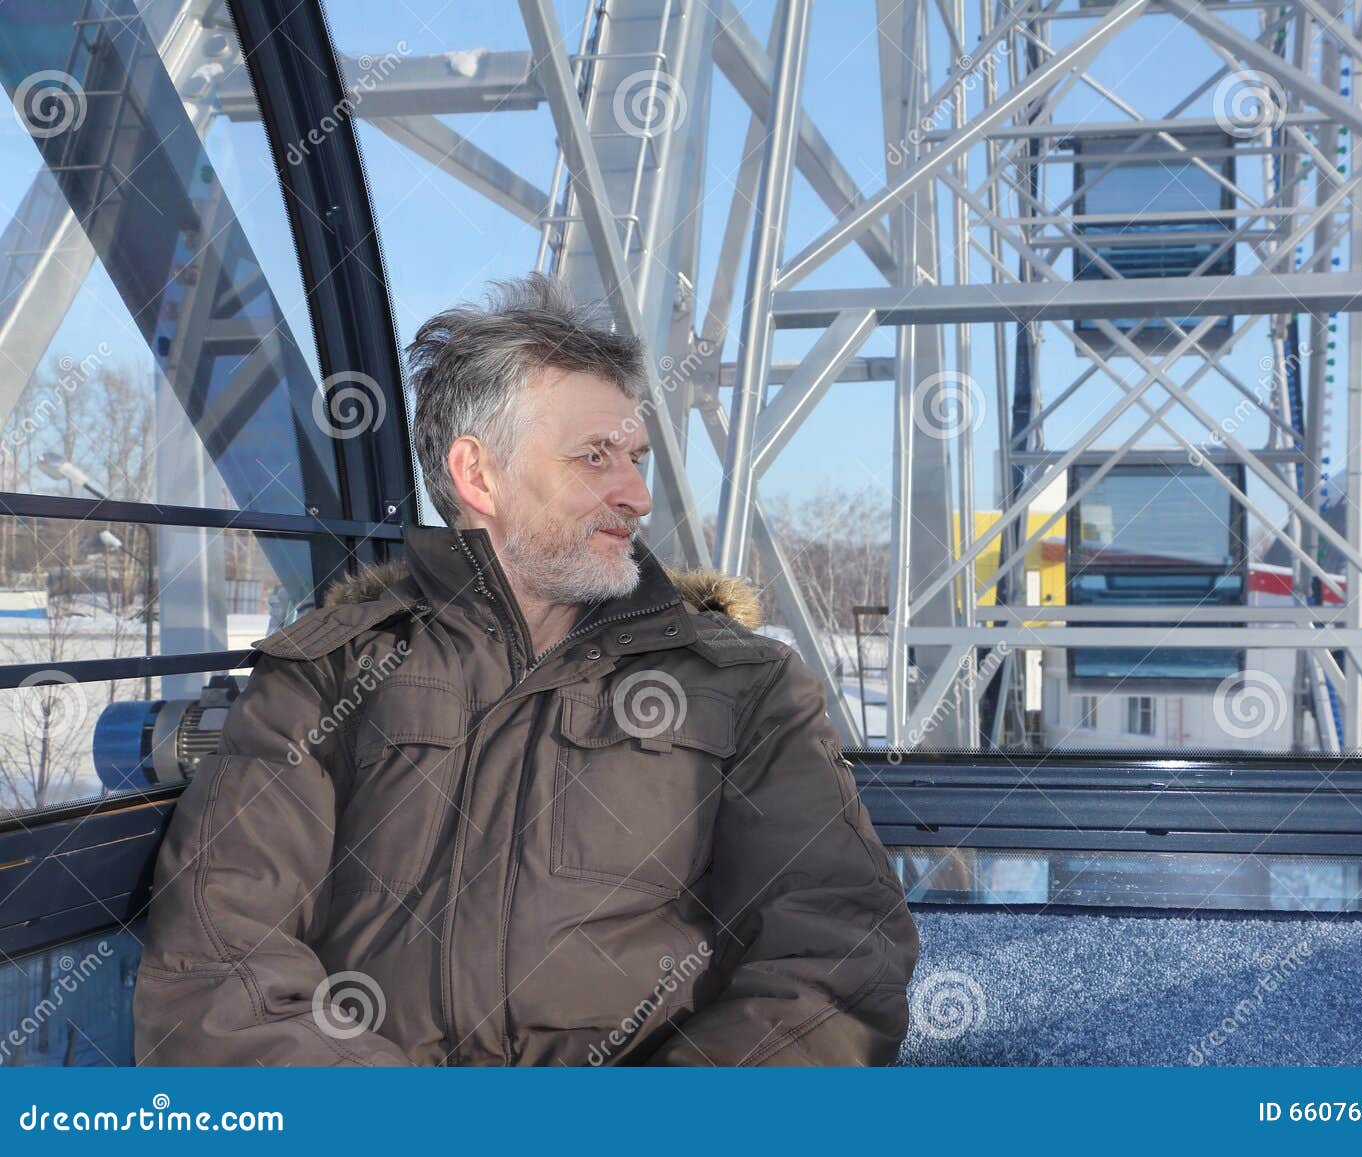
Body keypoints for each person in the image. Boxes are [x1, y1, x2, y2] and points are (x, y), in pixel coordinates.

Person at [133, 274, 919, 1066]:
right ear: (479, 476)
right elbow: (217, 969)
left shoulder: (748, 687)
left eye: (636, 456)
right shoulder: (327, 674)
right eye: (595, 456)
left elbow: (839, 954)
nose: (639, 494)